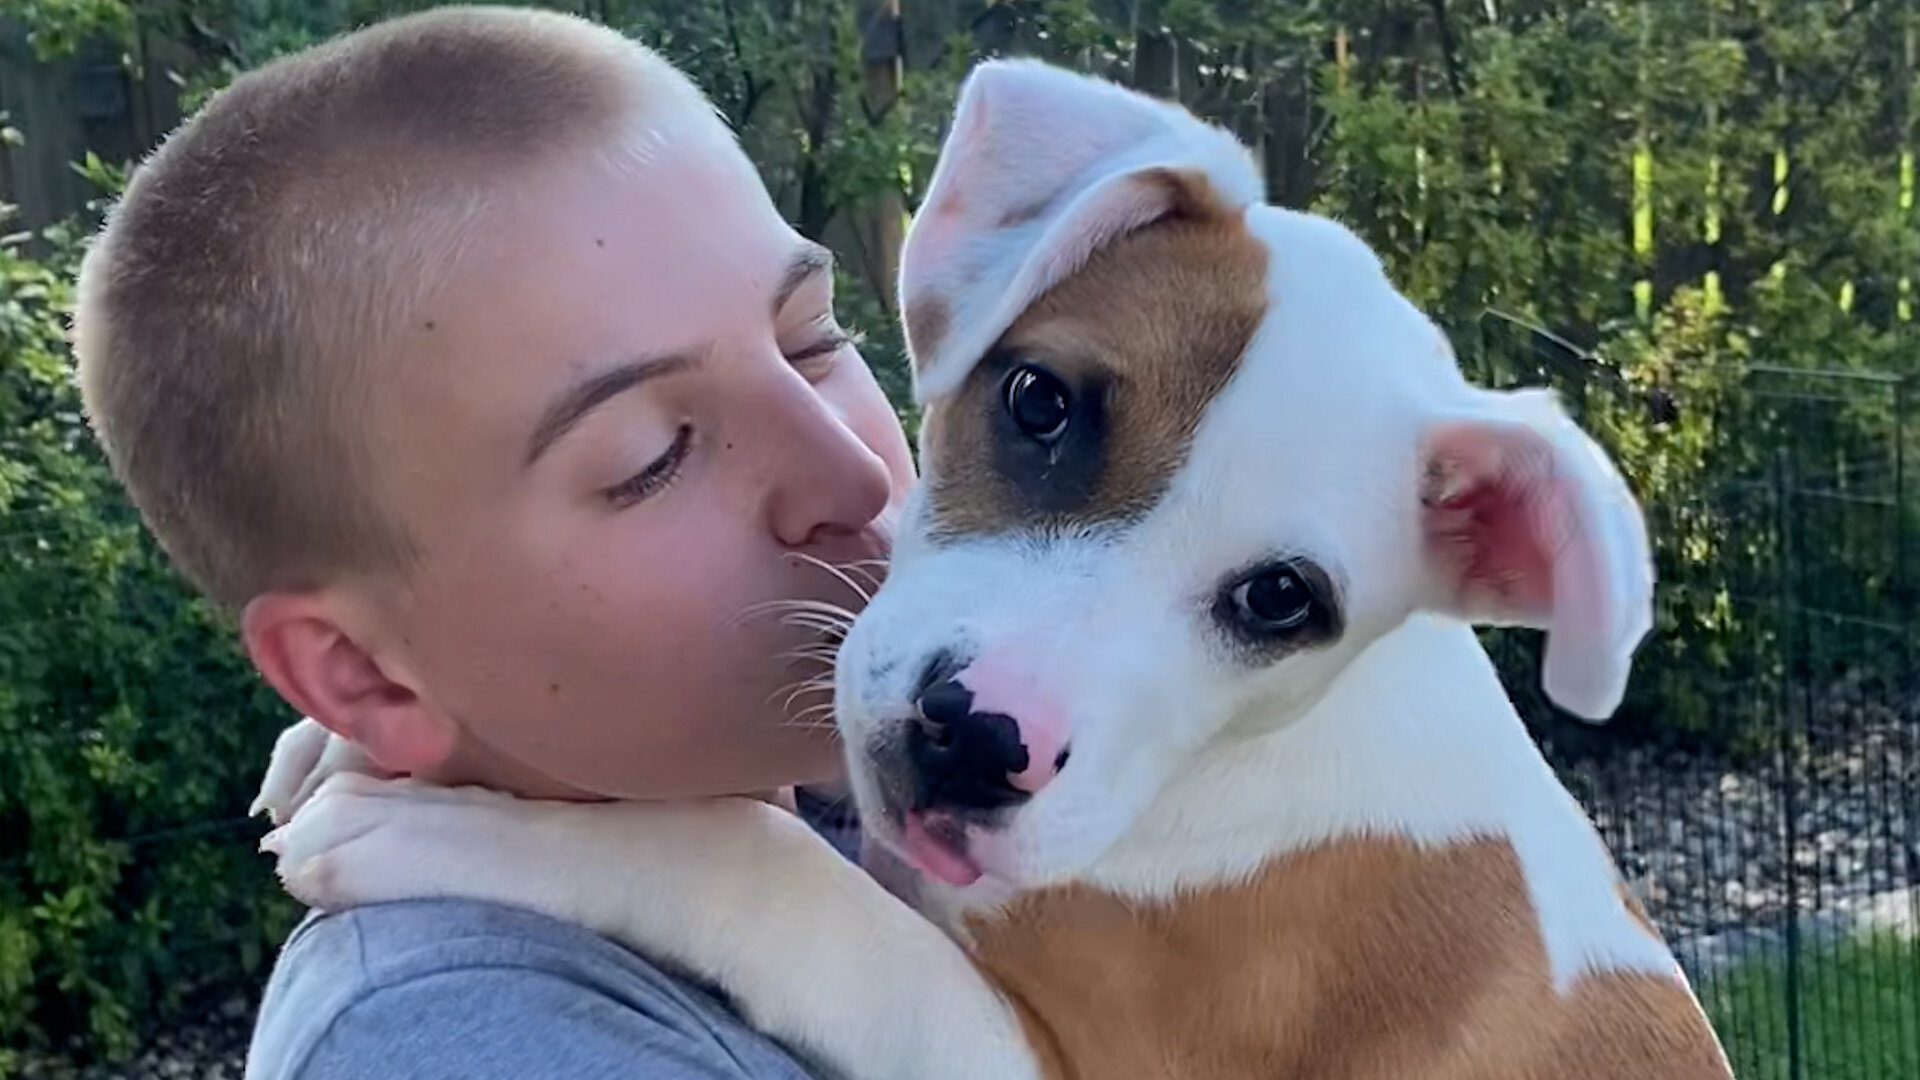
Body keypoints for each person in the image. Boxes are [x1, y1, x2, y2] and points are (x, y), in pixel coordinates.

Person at [71, 6, 918, 1078]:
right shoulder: (464, 1041)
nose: (854, 472)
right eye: (649, 457)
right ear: (361, 676)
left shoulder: (819, 751)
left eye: (812, 341)